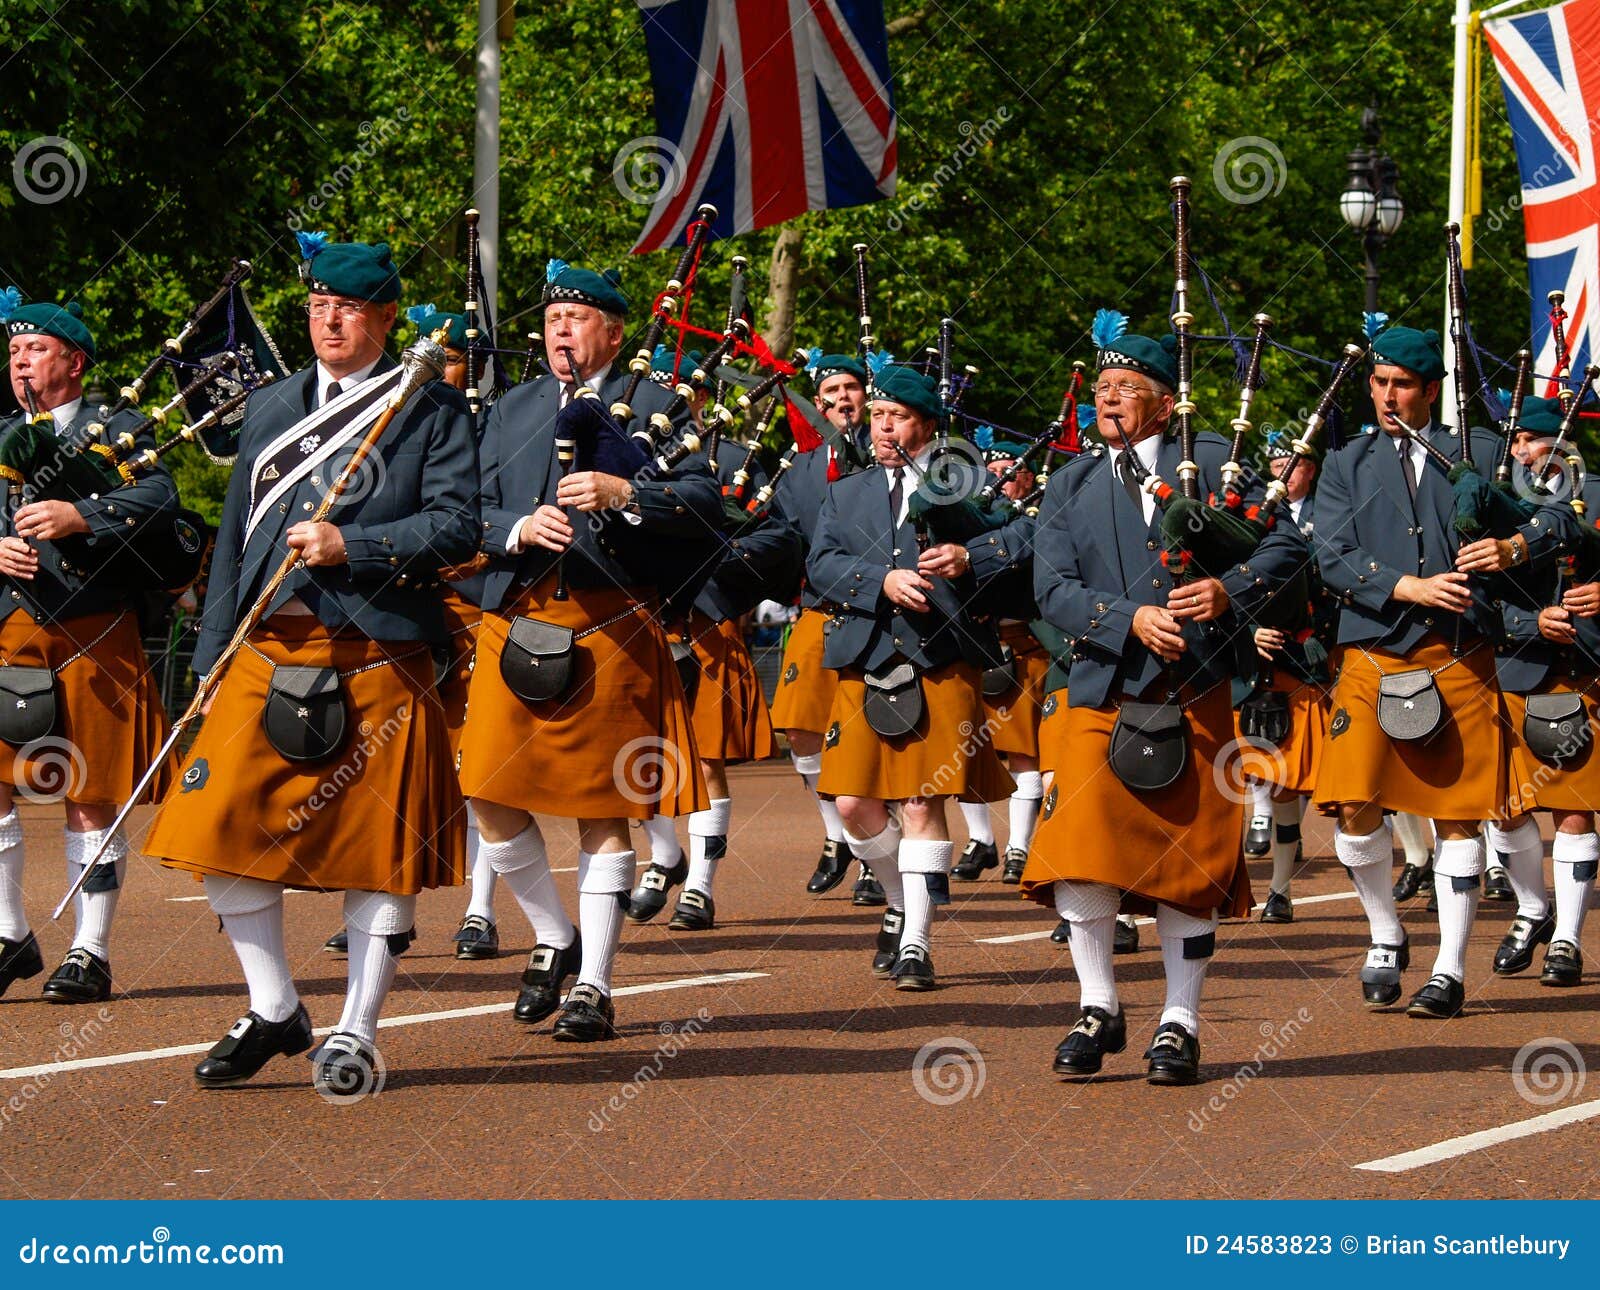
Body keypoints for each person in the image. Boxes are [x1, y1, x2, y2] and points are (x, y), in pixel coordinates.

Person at [143, 235, 479, 1094]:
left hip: (376, 651)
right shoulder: (272, 405)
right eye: (319, 306)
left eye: (349, 308)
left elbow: (457, 527)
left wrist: (350, 545)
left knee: (377, 855)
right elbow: (234, 539)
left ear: (386, 317)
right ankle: (275, 1007)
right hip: (265, 650)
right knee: (211, 830)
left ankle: (357, 1030)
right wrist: (211, 657)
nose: (329, 321)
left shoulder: (432, 407)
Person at [1021, 330, 1304, 1084]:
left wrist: (1228, 591)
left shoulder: (1214, 463)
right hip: (1099, 686)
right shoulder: (1070, 482)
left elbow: (1285, 550)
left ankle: (1180, 1022)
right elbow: (1051, 588)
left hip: (1197, 687)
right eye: (1102, 389)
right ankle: (1097, 1006)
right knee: (1081, 849)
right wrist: (1127, 618)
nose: (1108, 400)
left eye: (1127, 389)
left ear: (1165, 404)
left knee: (1189, 862)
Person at [456, 261, 721, 1041]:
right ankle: (554, 934)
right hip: (516, 616)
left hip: (612, 621)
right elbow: (462, 509)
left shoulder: (660, 406)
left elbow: (707, 503)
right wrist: (514, 526)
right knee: (485, 789)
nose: (560, 330)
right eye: (551, 319)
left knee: (602, 810)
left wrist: (627, 493)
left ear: (613, 331)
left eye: (576, 318)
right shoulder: (512, 408)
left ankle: (595, 987)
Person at [1312, 325, 1567, 1019]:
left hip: (1459, 653)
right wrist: (1406, 586)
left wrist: (1512, 546)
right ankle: (1386, 933)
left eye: (1402, 385)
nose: (1387, 396)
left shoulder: (1480, 451)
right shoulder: (1346, 462)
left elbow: (1557, 520)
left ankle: (1449, 970)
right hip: (1371, 651)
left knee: (1457, 815)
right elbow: (1330, 554)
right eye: (1379, 383)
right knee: (1354, 806)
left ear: (1430, 390)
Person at [808, 363, 1014, 991]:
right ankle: (900, 901)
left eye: (896, 417)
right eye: (877, 416)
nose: (883, 427)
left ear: (926, 425)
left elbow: (1021, 537)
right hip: (867, 657)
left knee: (922, 801)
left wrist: (970, 556)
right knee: (852, 804)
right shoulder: (847, 493)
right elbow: (821, 564)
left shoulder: (964, 485)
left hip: (941, 656)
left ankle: (917, 944)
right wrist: (881, 580)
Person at [0, 293, 179, 1003]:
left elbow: (161, 500)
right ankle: (10, 934)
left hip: (96, 631)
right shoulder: (1, 433)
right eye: (14, 351)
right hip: (13, 628)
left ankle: (90, 950)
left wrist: (81, 514)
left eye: (36, 350)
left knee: (90, 791)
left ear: (74, 362)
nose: (21, 362)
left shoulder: (123, 430)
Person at [626, 348, 801, 930]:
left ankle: (699, 886)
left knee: (704, 760)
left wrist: (724, 554)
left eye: (677, 388)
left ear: (699, 397)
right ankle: (663, 855)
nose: (665, 399)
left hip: (704, 622)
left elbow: (778, 538)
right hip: (635, 620)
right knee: (634, 755)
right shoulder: (625, 450)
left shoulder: (731, 458)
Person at [1485, 397, 1599, 986]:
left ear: (1560, 442)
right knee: (1506, 811)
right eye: (1514, 440)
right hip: (1514, 666)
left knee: (1573, 809)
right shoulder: (1497, 503)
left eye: (1529, 439)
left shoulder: (1597, 494)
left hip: (1581, 670)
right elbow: (1476, 593)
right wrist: (1530, 621)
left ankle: (1568, 940)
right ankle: (1533, 910)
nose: (1519, 451)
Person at [769, 353, 885, 905]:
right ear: (818, 404)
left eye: (852, 388)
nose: (843, 398)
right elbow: (784, 536)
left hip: (878, 613)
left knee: (870, 735)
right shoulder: (800, 468)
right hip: (818, 609)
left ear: (866, 396)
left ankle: (872, 851)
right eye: (832, 391)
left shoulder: (888, 457)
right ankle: (837, 835)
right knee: (799, 727)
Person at [1233, 434, 1333, 923]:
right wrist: (1246, 632)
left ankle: (1280, 889)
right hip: (1236, 676)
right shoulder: (1230, 535)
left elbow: (1327, 592)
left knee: (1288, 788)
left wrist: (1308, 636)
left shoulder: (1309, 531)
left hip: (1293, 670)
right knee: (1226, 783)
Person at [951, 438, 1048, 886]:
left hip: (1025, 645)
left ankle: (1019, 847)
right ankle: (981, 840)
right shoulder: (969, 518)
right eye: (994, 472)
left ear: (1027, 477)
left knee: (1024, 753)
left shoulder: (1042, 517)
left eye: (1010, 471)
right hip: (975, 647)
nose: (1002, 479)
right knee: (966, 751)